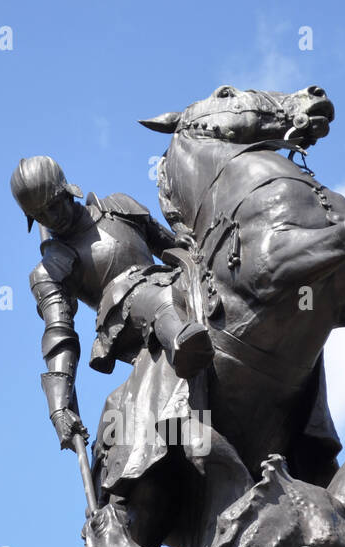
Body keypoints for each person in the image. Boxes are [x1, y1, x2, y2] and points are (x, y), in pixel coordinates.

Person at [11, 155, 213, 450]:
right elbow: (59, 336)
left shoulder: (118, 207)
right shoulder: (51, 268)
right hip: (122, 316)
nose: (52, 218)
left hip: (169, 282)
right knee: (149, 290)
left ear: (67, 190)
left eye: (54, 205)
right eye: (41, 216)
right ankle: (185, 345)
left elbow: (171, 249)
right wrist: (59, 407)